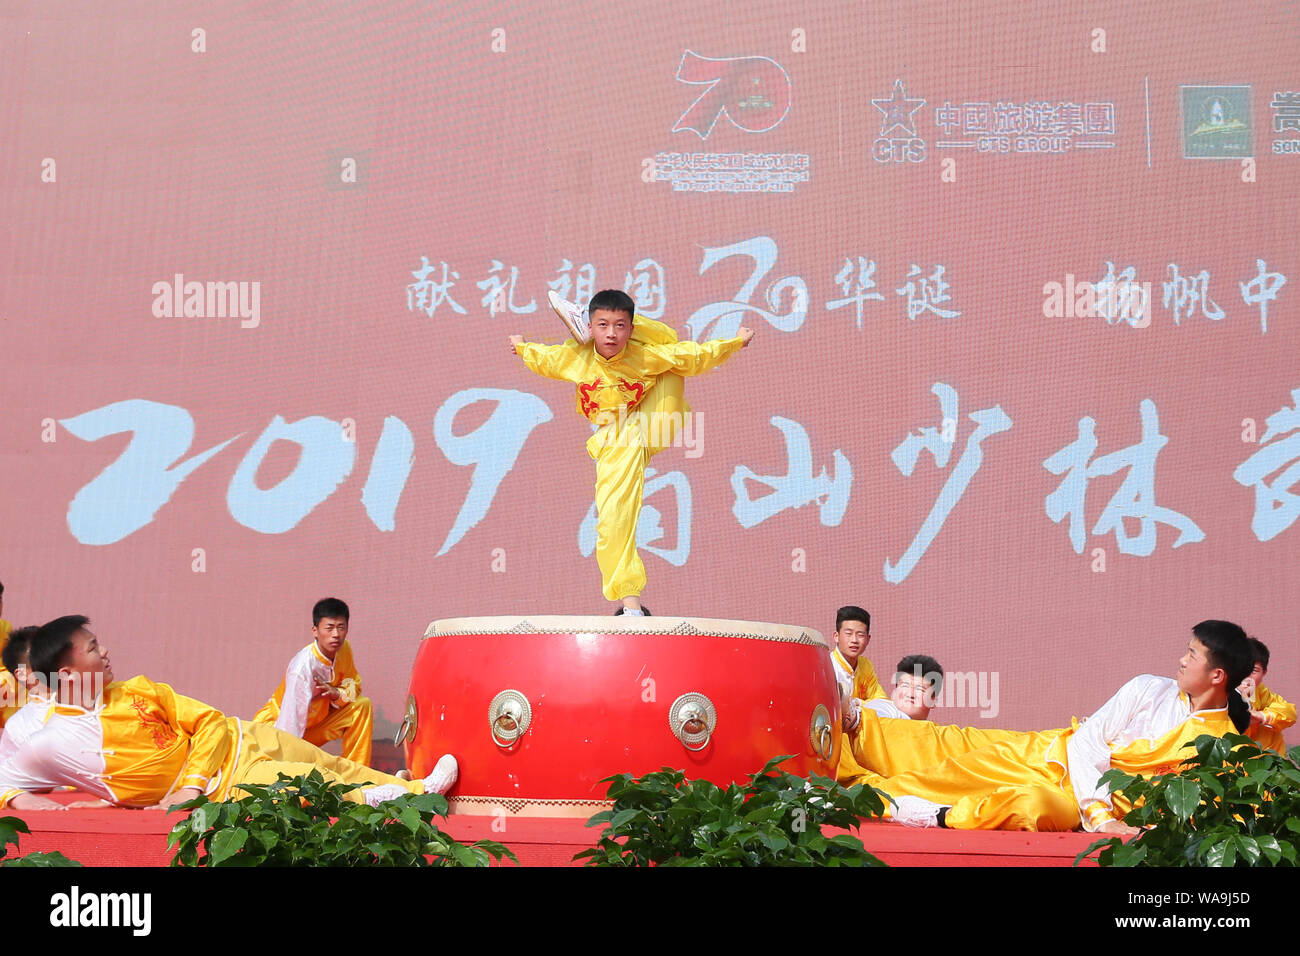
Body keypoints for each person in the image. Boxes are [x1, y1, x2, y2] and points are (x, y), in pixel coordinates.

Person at [0, 616, 456, 811]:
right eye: (94, 648)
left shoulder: (137, 688)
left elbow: (210, 720)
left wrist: (188, 785)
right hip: (228, 786)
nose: (106, 652)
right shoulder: (44, 737)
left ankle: (402, 787)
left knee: (334, 765)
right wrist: (21, 800)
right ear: (68, 669)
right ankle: (420, 793)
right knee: (321, 787)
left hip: (242, 739)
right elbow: (4, 779)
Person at [846, 620, 1254, 833]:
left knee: (1032, 806)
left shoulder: (1224, 747)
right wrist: (1101, 814)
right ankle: (853, 751)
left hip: (1069, 805)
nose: (1181, 661)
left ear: (1217, 675)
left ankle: (933, 814)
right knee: (949, 749)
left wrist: (1108, 817)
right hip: (1053, 759)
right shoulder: (1148, 688)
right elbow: (1088, 741)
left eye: (1192, 654)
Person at [511, 289, 753, 614]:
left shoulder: (645, 356)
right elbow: (542, 358)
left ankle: (629, 324)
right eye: (603, 325)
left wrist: (735, 342)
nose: (611, 334)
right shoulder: (574, 357)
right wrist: (520, 346)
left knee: (669, 345)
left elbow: (697, 356)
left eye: (620, 326)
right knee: (613, 518)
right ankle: (630, 604)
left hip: (656, 413)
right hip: (615, 433)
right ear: (593, 329)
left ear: (630, 329)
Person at [252, 598, 373, 766]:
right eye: (329, 628)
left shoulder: (345, 649)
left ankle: (357, 774)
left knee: (362, 705)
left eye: (341, 627)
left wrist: (337, 693)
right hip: (277, 730)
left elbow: (354, 685)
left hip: (313, 726)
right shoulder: (303, 668)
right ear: (315, 631)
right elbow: (290, 721)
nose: (336, 635)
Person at [1239, 637, 1295, 752]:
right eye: (1241, 668)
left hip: (1264, 760)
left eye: (1254, 671)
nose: (1246, 676)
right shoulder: (1218, 690)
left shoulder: (1260, 691)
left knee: (1271, 727)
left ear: (1264, 672)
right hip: (1230, 762)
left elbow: (1289, 712)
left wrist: (1263, 717)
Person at [863, 654, 944, 721]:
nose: (910, 694)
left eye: (919, 689)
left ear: (933, 700)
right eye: (905, 685)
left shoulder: (934, 734)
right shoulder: (883, 708)